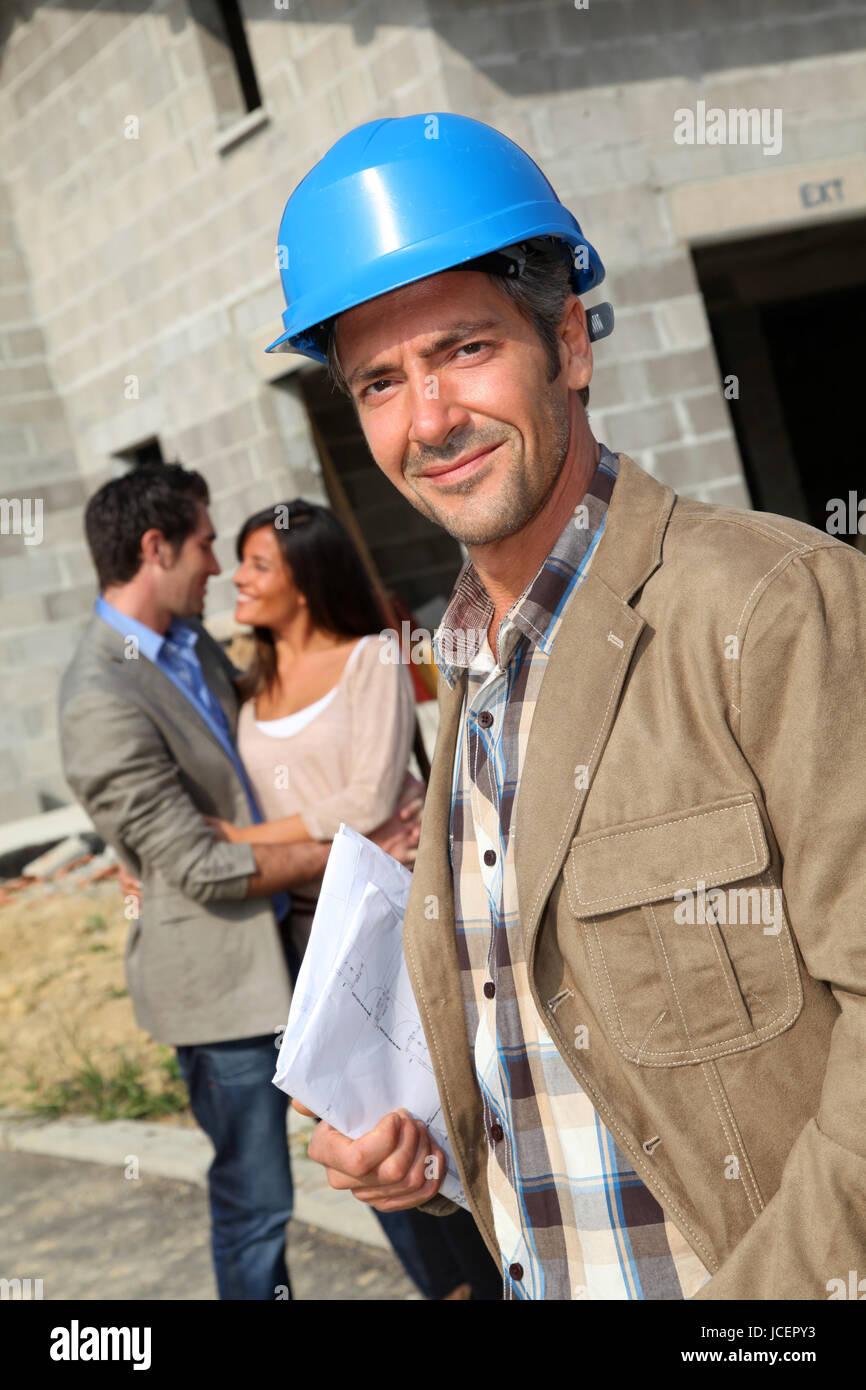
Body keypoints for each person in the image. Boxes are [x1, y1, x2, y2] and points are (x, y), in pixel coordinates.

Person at [262, 112, 866, 1300]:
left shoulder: (770, 608)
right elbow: (565, 1047)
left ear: (568, 345)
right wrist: (432, 1145)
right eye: (379, 380)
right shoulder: (473, 666)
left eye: (464, 350)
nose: (426, 417)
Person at [57, 463, 420, 1302]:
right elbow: (200, 864)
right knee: (257, 1203)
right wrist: (355, 850)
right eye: (208, 545)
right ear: (157, 548)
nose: (218, 569)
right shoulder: (99, 697)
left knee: (386, 1148)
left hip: (303, 947)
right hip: (226, 992)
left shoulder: (195, 649)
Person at [207, 497, 502, 1300]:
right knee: (352, 1131)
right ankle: (443, 1286)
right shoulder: (249, 680)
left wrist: (235, 845)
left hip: (387, 927)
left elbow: (367, 799)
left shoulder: (372, 656)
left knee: (431, 1119)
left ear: (304, 580)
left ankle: (496, 1276)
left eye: (259, 563)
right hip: (304, 938)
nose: (240, 578)